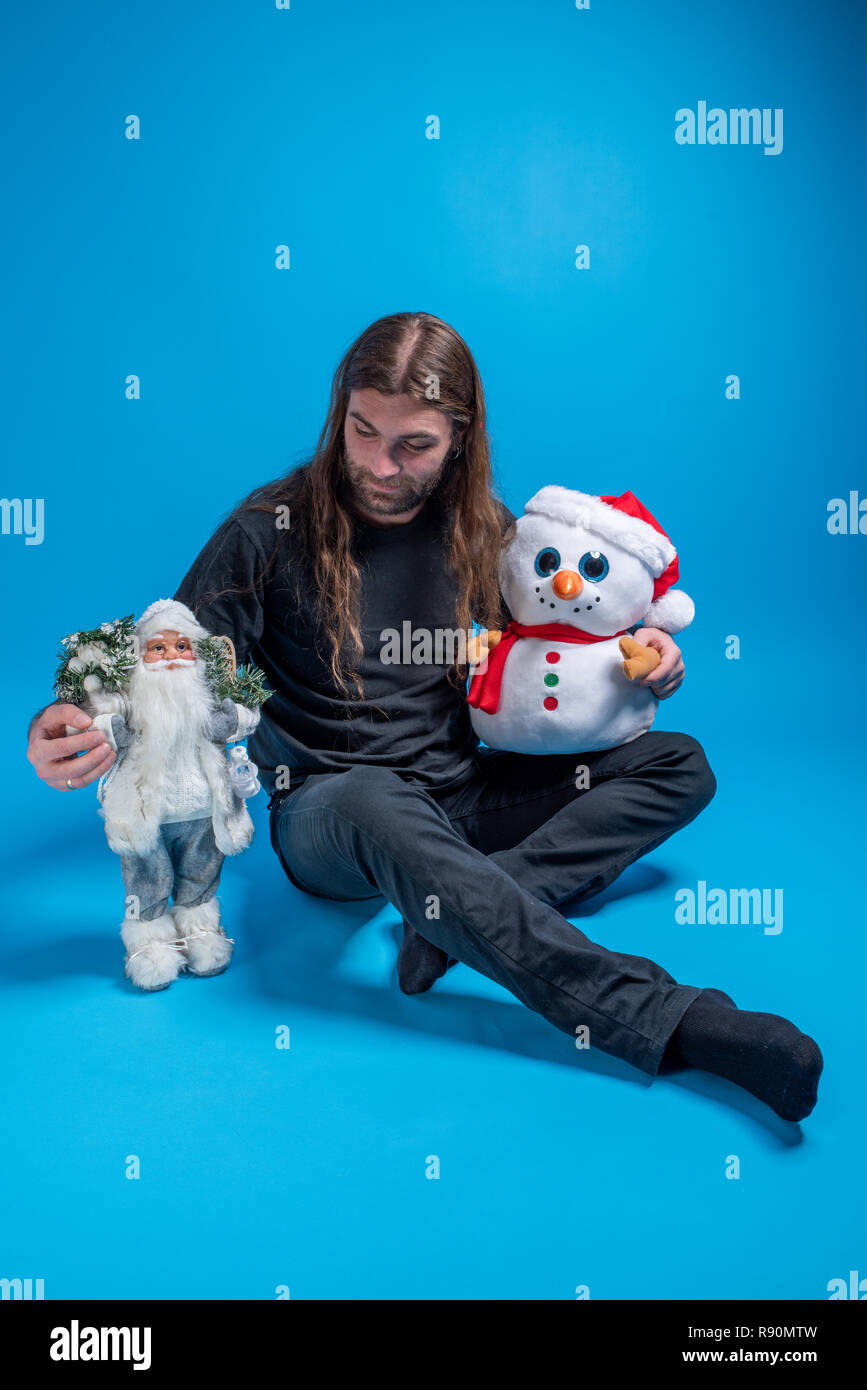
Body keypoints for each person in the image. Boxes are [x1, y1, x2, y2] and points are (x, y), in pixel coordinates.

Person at [27, 311, 823, 1121]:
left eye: (413, 446)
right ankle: (672, 1019)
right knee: (376, 800)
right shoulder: (265, 531)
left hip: (464, 795)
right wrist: (68, 715)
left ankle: (461, 910)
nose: (379, 463)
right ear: (341, 410)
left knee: (676, 761)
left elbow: (565, 632)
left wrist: (649, 646)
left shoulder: (488, 531)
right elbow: (172, 653)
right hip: (334, 814)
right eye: (362, 431)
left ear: (459, 439)